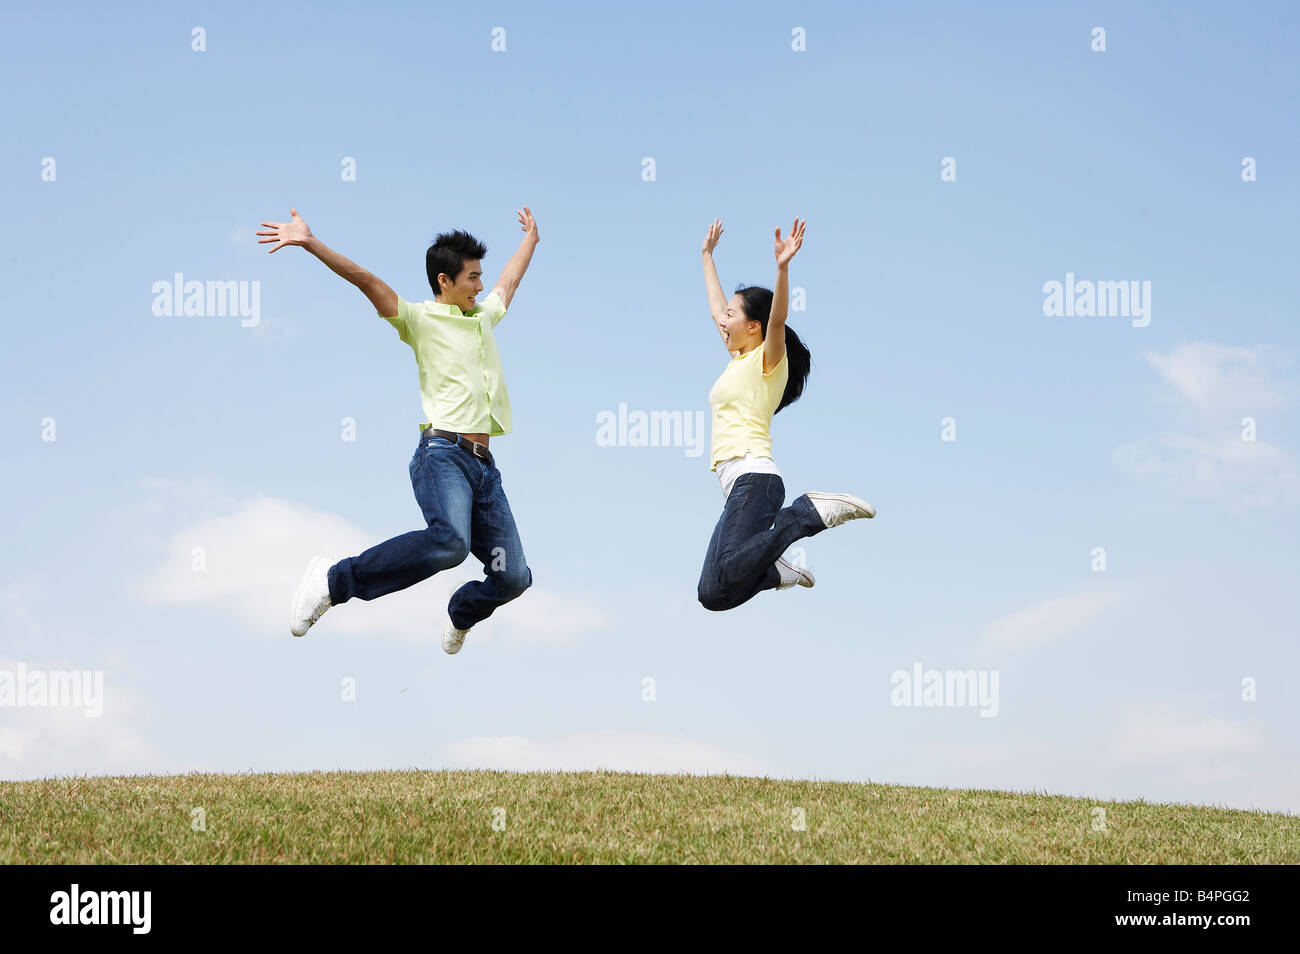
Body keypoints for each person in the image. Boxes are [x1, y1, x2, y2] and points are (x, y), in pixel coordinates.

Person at [259, 206, 539, 653]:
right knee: (450, 543)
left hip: (485, 469)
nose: (481, 286)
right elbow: (366, 280)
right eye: (471, 278)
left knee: (514, 577)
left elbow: (510, 281)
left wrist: (531, 241)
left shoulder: (483, 317)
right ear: (445, 280)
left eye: (480, 276)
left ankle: (461, 613)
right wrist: (311, 243)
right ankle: (334, 580)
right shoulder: (418, 321)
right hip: (443, 455)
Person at [697, 216, 876, 612]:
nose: (722, 320)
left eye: (731, 314)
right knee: (713, 593)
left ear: (754, 327)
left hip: (755, 478)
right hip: (736, 487)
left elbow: (778, 318)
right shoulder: (738, 358)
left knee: (726, 571)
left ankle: (807, 512)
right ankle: (773, 570)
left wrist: (782, 268)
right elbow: (714, 307)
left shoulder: (767, 361)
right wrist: (707, 256)